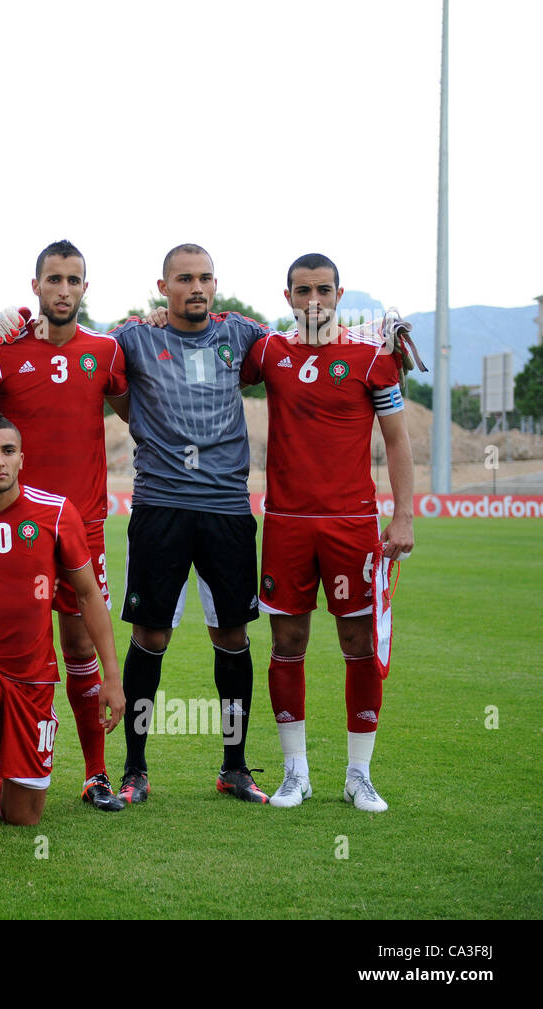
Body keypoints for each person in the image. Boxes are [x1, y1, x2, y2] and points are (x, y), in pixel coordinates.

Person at [240, 253, 414, 812]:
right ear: (287, 296)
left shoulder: (371, 359)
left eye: (322, 290)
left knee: (357, 644)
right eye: (301, 291)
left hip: (352, 524)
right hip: (287, 524)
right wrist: (149, 320)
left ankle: (358, 774)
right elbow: (210, 342)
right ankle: (296, 773)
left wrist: (403, 514)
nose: (312, 300)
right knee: (287, 643)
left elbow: (398, 440)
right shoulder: (268, 353)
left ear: (339, 295)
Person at [0, 239, 130, 811]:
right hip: (15, 525)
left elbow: (140, 415)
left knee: (80, 643)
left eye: (74, 280)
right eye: (53, 279)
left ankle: (96, 774)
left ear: (86, 288)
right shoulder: (4, 352)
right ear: (34, 286)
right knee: (10, 646)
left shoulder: (106, 352)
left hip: (81, 524)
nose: (64, 289)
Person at [0, 412, 125, 855]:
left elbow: (88, 596)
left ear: (22, 458)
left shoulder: (55, 513)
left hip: (32, 675)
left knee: (22, 813)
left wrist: (111, 675)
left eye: (8, 451)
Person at [106, 244, 268, 805]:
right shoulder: (134, 339)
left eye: (204, 278)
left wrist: (367, 332)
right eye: (184, 279)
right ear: (163, 286)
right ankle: (134, 770)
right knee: (151, 635)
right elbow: (96, 373)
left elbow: (304, 347)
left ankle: (235, 767)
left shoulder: (242, 334)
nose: (196, 287)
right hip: (160, 507)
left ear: (215, 284)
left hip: (226, 508)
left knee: (232, 635)